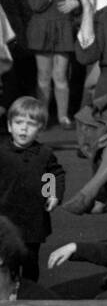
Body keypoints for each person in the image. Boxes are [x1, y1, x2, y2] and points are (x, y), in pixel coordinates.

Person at [0, 97, 65, 282]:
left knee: (30, 262)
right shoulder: (1, 152)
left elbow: (52, 174)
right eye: (18, 122)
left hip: (32, 221)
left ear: (40, 129)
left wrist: (51, 194)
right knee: (5, 262)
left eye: (31, 124)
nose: (24, 128)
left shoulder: (44, 154)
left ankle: (29, 295)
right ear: (10, 126)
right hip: (4, 219)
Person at [26, 0, 79, 128]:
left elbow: (74, 4)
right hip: (41, 32)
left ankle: (63, 116)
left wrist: (76, 3)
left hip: (62, 31)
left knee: (60, 76)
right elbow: (36, 5)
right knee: (43, 76)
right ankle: (43, 117)